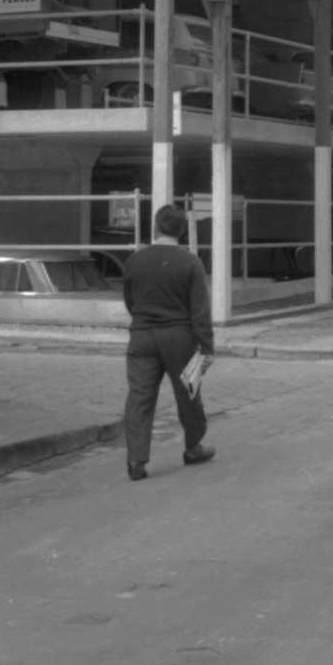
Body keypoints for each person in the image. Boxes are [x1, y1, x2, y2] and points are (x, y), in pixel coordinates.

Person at [122, 203, 216, 481]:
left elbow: (130, 300)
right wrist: (206, 348)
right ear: (183, 232)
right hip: (180, 338)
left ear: (155, 227)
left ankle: (136, 461)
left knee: (139, 396)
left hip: (141, 337)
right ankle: (193, 448)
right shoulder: (191, 262)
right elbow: (200, 311)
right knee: (189, 393)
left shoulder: (135, 261)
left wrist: (144, 320)